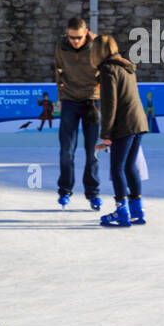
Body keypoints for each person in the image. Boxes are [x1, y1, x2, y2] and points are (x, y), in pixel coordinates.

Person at [54, 16, 116, 209]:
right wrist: (61, 95)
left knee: (92, 152)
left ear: (86, 33)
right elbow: (58, 70)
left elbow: (107, 69)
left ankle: (93, 192)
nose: (74, 41)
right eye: (71, 37)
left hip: (92, 101)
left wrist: (100, 95)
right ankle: (65, 190)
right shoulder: (61, 46)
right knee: (66, 150)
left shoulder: (96, 46)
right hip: (70, 100)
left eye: (78, 37)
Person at [96, 50, 149, 227]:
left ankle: (122, 212)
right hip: (138, 122)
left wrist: (105, 134)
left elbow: (110, 104)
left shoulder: (108, 69)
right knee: (129, 166)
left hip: (124, 124)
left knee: (117, 168)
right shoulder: (127, 67)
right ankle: (137, 210)